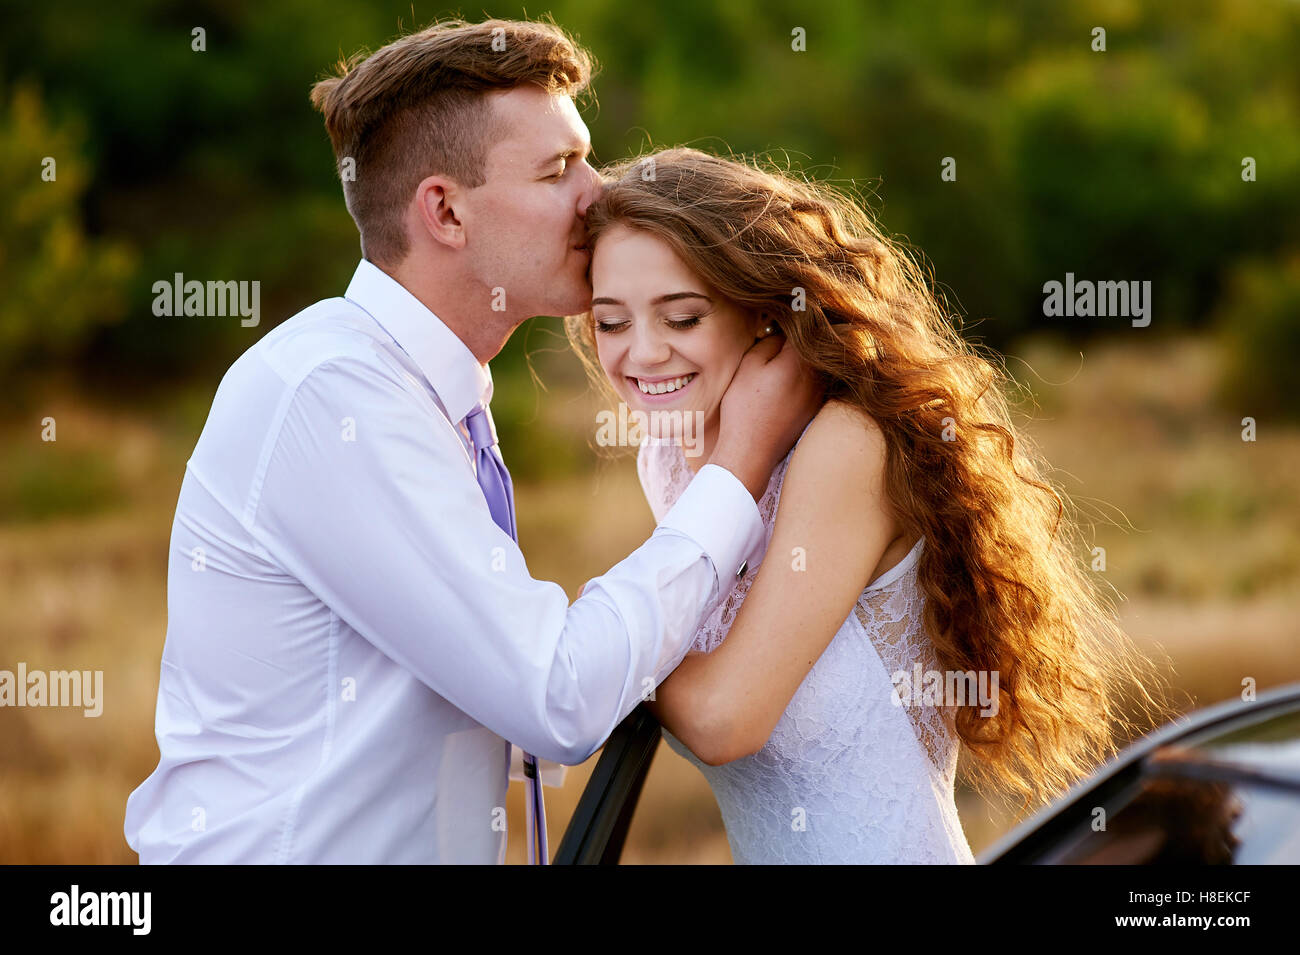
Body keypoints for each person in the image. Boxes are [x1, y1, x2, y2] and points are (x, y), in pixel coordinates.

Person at [122, 20, 821, 864]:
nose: (597, 193)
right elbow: (554, 695)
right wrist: (740, 464)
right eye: (559, 168)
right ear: (446, 210)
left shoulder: (435, 398)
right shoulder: (332, 394)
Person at [566, 147, 1168, 863]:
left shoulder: (846, 444)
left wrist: (592, 655)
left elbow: (727, 718)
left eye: (683, 318)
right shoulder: (670, 458)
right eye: (611, 323)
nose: (642, 354)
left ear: (761, 309)